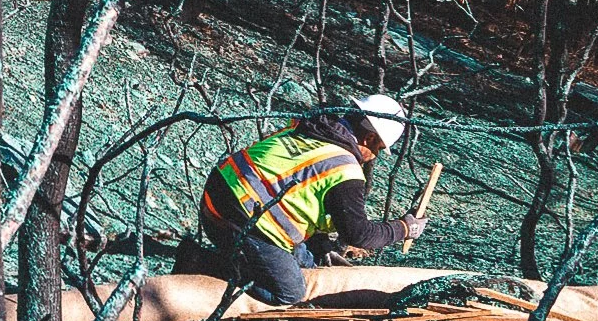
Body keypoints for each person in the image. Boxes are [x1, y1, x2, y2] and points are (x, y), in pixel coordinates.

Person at [181, 94, 426, 304]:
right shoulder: (345, 169)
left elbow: (297, 186)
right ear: (370, 138)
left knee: (307, 262)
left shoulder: (306, 127)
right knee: (289, 293)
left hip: (215, 200)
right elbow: (359, 235)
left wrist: (319, 244)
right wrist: (404, 228)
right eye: (378, 149)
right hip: (235, 223)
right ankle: (202, 263)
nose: (373, 157)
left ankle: (249, 257)